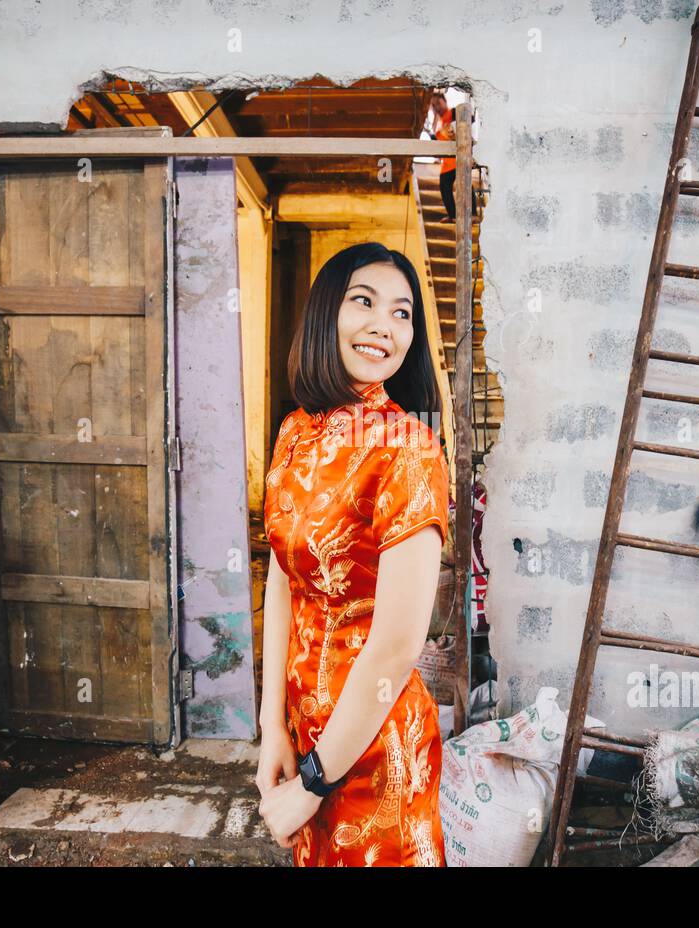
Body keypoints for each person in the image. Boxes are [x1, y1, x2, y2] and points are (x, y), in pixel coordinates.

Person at [256, 241, 451, 867]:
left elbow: (398, 644)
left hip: (372, 746)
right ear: (324, 316)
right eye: (363, 302)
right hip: (307, 731)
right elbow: (282, 582)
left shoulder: (408, 448)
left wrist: (314, 780)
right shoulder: (295, 432)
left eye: (402, 313)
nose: (383, 326)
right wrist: (273, 730)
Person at [430, 91, 457, 223]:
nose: (437, 107)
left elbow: (470, 118)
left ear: (445, 101)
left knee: (466, 185)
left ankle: (472, 213)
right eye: (433, 106)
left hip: (458, 159)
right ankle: (453, 215)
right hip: (447, 163)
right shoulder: (439, 125)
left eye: (438, 103)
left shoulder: (453, 113)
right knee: (444, 187)